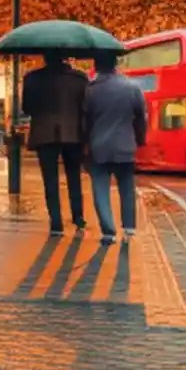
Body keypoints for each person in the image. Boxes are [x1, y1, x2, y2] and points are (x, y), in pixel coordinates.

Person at [21, 51, 89, 235]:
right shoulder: (80, 79)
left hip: (44, 133)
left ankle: (56, 222)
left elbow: (26, 108)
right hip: (73, 133)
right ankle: (78, 217)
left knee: (50, 180)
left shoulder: (33, 78)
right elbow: (86, 107)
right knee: (74, 177)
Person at [83, 52, 147, 245]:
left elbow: (85, 121)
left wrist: (85, 145)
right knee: (127, 188)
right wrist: (140, 139)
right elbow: (140, 119)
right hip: (125, 145)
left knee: (100, 188)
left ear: (96, 66)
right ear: (115, 64)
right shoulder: (132, 87)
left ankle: (108, 230)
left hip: (99, 146)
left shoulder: (91, 90)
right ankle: (128, 228)